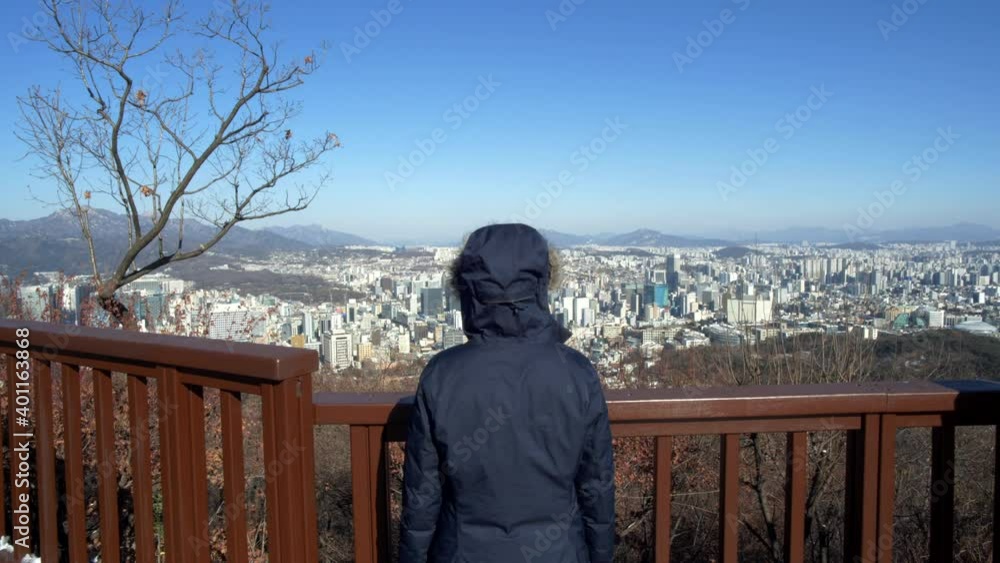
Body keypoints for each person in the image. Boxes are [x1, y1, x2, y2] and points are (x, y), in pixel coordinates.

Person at [399, 223, 615, 563]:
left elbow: (422, 496)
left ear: (467, 289)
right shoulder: (577, 373)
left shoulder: (441, 375)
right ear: (542, 285)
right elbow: (596, 490)